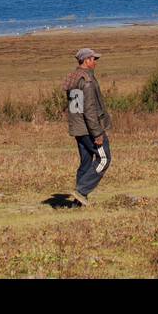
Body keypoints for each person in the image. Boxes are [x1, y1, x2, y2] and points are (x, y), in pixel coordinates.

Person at [63, 48, 112, 206]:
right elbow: (90, 110)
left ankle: (77, 204)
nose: (95, 62)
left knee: (86, 162)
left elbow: (74, 107)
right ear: (86, 61)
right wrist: (97, 133)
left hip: (78, 128)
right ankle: (82, 191)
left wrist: (78, 127)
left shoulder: (73, 77)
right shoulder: (87, 81)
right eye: (93, 59)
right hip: (89, 129)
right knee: (104, 159)